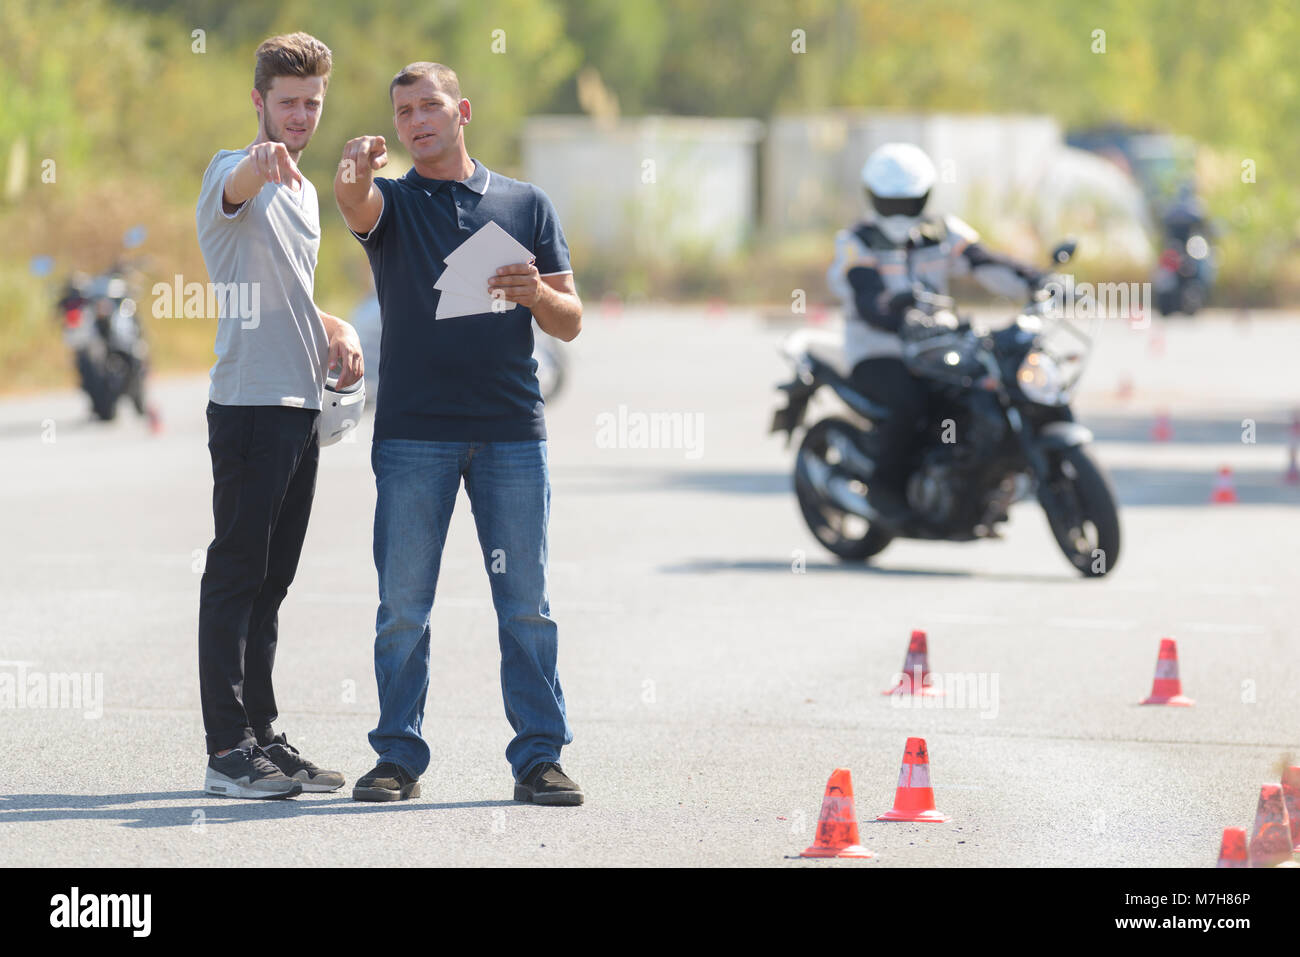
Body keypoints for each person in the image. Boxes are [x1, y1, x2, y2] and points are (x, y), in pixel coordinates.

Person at [334, 62, 584, 805]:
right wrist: (350, 174)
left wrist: (535, 290)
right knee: (403, 605)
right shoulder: (394, 205)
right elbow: (353, 202)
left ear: (462, 110)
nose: (416, 119)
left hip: (512, 431)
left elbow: (571, 320)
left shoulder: (525, 202)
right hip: (414, 434)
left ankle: (539, 757)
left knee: (528, 606)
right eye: (403, 110)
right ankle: (398, 758)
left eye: (430, 104)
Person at [195, 32, 364, 799]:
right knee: (235, 575)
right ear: (258, 101)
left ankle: (263, 734)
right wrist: (254, 165)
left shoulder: (302, 192)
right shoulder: (237, 174)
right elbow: (235, 185)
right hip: (248, 407)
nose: (299, 116)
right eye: (286, 102)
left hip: (300, 408)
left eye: (311, 103)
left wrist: (339, 326)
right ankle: (226, 749)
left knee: (273, 582)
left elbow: (288, 293)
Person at [827, 142, 1044, 526]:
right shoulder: (856, 241)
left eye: (907, 203)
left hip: (938, 346)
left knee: (980, 393)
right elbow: (865, 295)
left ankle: (973, 478)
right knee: (911, 405)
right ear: (872, 197)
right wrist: (891, 311)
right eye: (890, 203)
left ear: (924, 197)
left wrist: (1040, 282)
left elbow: (986, 262)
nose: (898, 213)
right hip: (879, 350)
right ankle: (885, 488)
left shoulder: (942, 232)